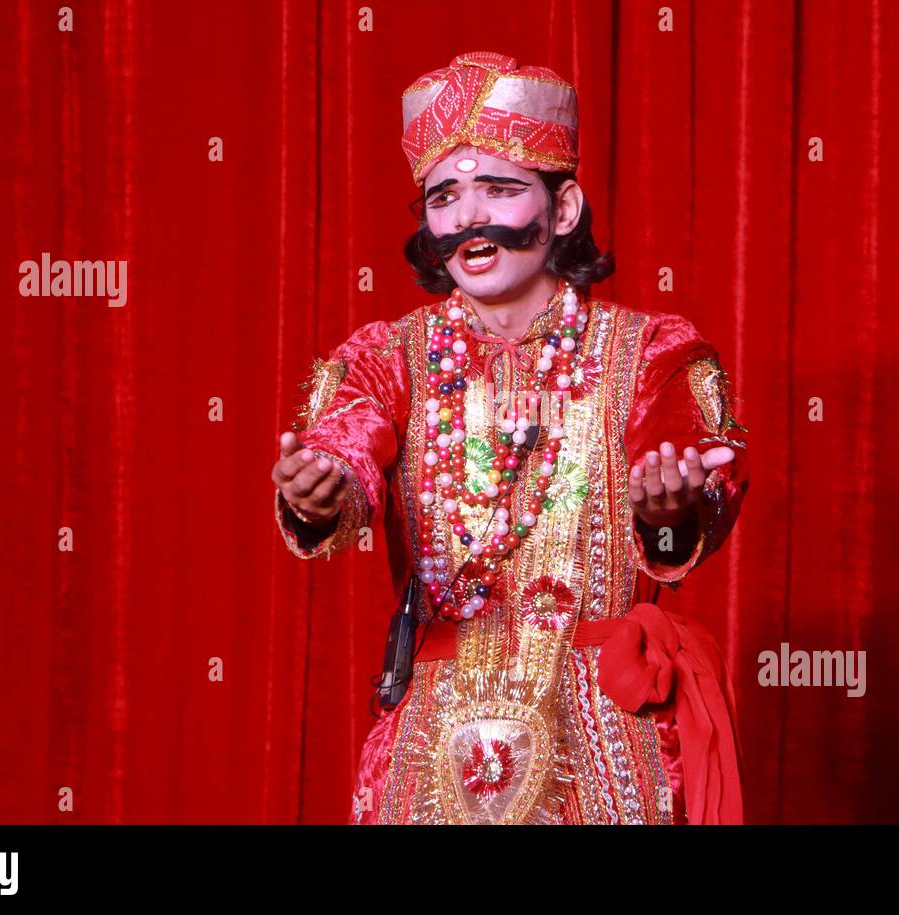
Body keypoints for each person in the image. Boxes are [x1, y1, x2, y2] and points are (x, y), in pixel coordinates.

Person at [271, 50, 750, 824]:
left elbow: (691, 463)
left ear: (563, 210)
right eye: (445, 195)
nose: (468, 216)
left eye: (498, 188)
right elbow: (345, 441)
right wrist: (321, 488)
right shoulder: (387, 357)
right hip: (434, 736)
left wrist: (667, 506)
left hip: (599, 731)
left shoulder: (652, 351)